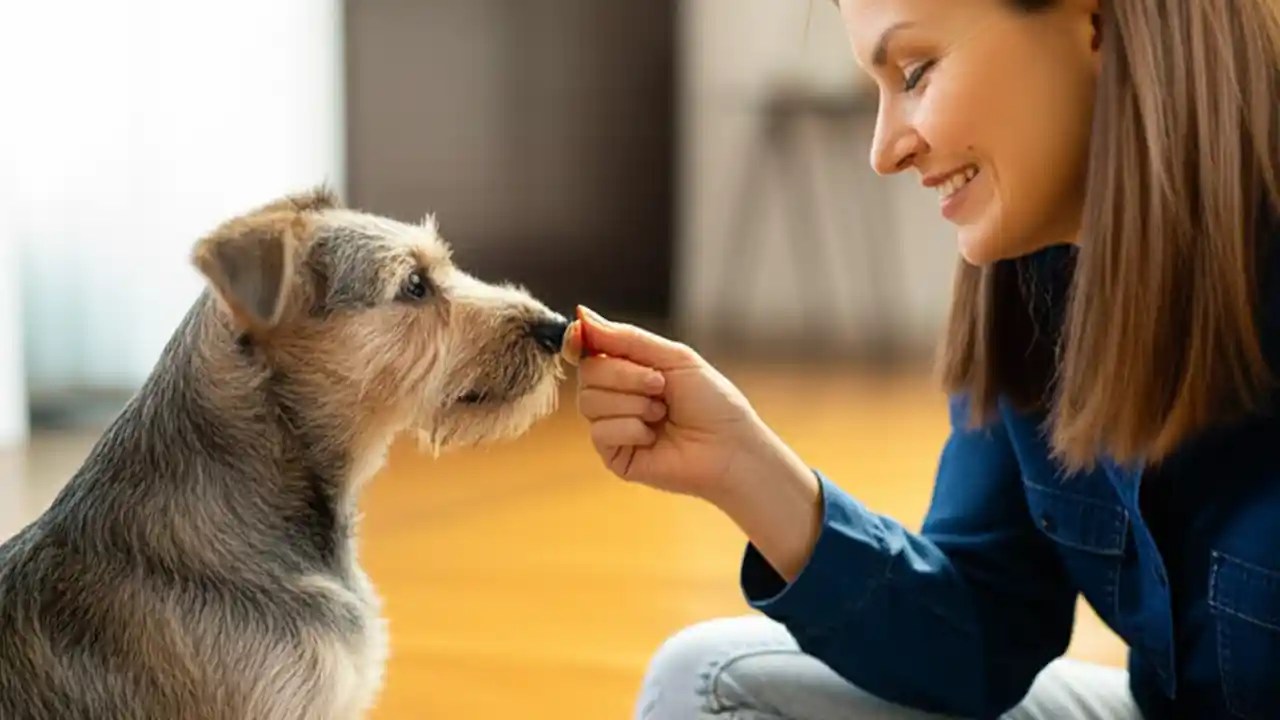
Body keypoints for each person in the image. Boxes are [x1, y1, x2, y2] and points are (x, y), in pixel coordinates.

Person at [563, 0, 1280, 718]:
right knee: (710, 679)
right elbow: (977, 634)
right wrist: (743, 468)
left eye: (915, 72)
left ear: (1095, 21)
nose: (885, 151)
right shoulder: (1030, 288)